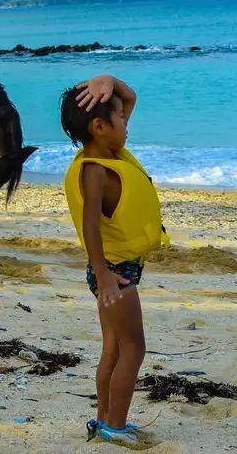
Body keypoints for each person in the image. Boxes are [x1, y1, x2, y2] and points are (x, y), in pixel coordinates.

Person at [60, 74, 170, 447]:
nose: (127, 123)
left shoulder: (110, 154)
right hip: (115, 272)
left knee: (113, 347)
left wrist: (108, 80)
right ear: (99, 126)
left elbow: (130, 95)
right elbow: (90, 225)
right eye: (121, 119)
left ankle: (103, 420)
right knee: (133, 348)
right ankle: (116, 426)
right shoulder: (96, 170)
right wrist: (106, 276)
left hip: (112, 269)